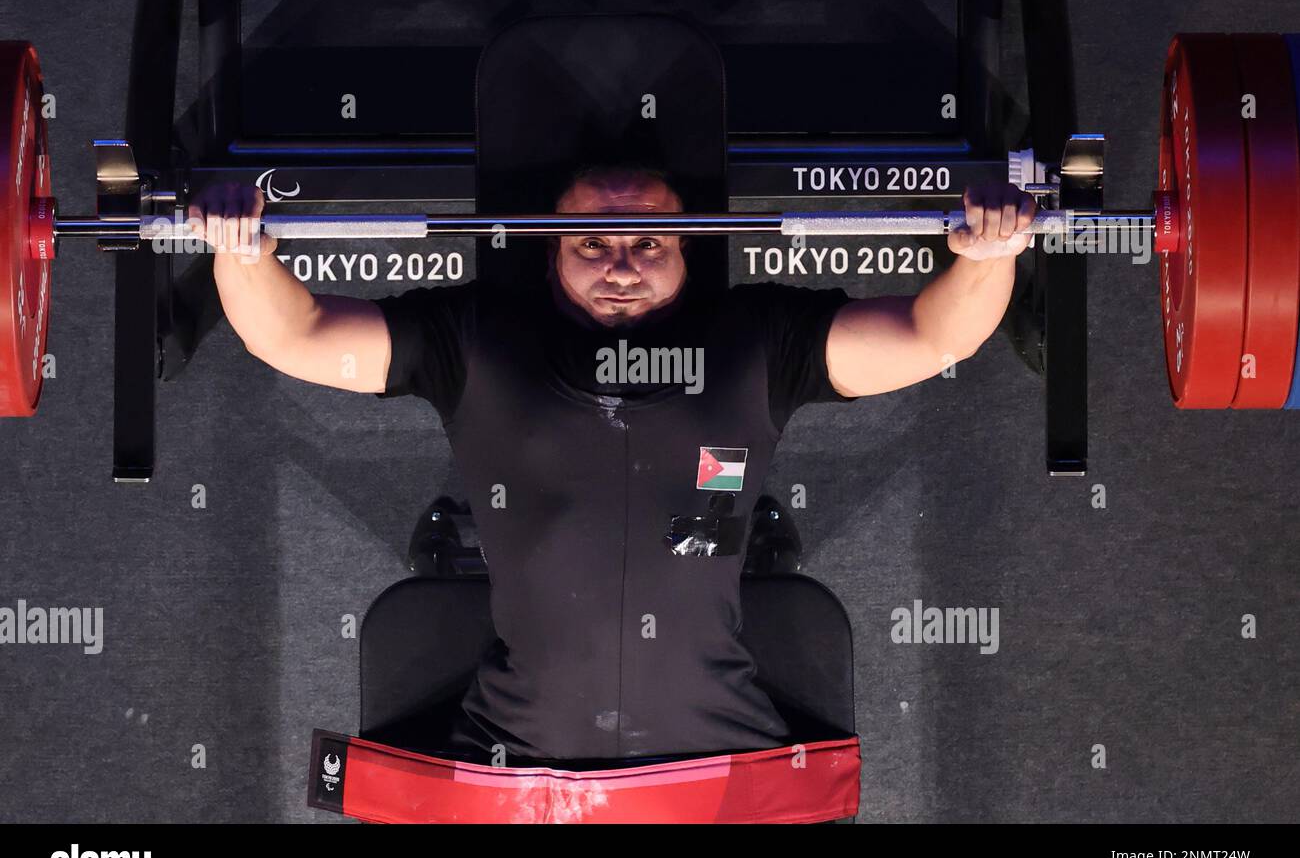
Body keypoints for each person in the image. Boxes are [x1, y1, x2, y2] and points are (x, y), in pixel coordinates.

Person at [195, 166, 1036, 763]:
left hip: (692, 751)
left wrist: (989, 255)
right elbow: (294, 335)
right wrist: (242, 251)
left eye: (648, 241)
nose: (621, 265)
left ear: (688, 249)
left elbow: (935, 336)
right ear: (551, 250)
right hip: (530, 748)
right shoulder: (476, 341)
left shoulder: (758, 342)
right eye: (592, 241)